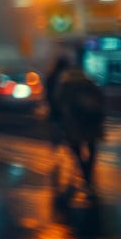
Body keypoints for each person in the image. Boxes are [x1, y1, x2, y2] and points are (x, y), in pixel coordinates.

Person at [55, 69, 105, 197]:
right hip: (91, 122)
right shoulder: (90, 84)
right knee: (92, 149)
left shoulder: (66, 86)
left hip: (74, 123)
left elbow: (59, 104)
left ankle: (86, 176)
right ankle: (88, 175)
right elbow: (100, 101)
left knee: (77, 151)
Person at [45, 56, 70, 149]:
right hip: (63, 107)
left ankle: (56, 144)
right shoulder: (65, 76)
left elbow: (48, 93)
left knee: (56, 125)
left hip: (55, 106)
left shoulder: (51, 76)